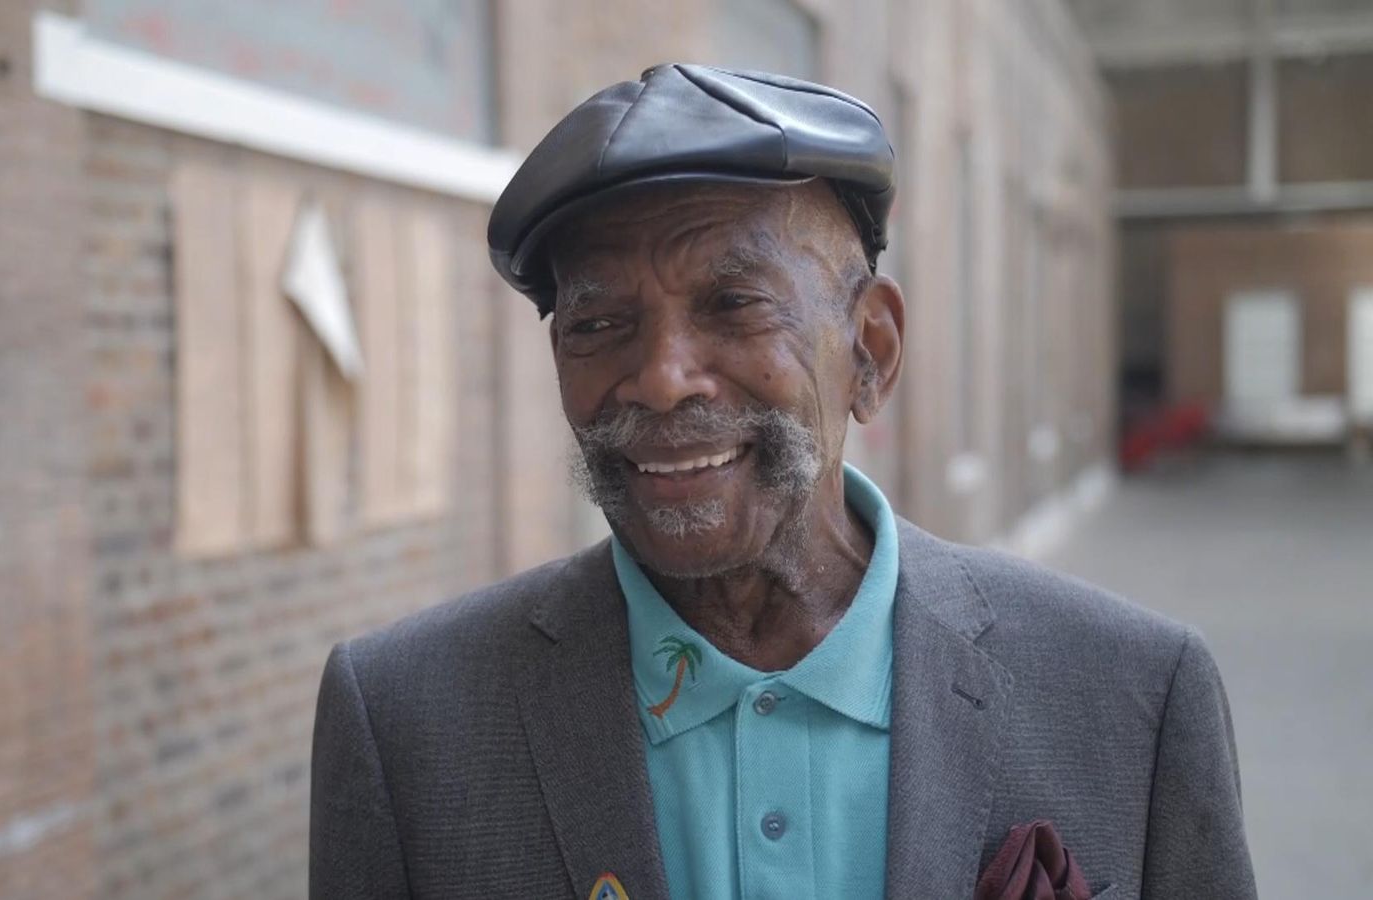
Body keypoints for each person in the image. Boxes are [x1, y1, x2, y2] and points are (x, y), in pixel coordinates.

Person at [310, 64, 1256, 900]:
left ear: (871, 352)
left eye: (734, 304)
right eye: (599, 325)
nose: (661, 378)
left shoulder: (1129, 696)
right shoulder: (407, 722)